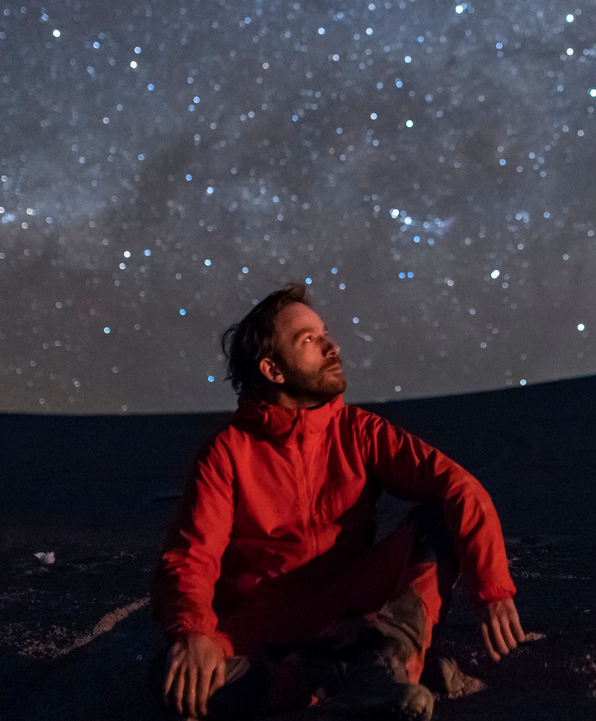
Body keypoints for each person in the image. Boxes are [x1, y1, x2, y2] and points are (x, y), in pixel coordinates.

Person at [151, 283, 524, 720]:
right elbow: (191, 556)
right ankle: (345, 680)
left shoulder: (360, 431)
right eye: (309, 340)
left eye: (324, 333)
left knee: (436, 519)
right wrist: (193, 633)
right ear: (273, 370)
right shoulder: (228, 451)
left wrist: (492, 590)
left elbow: (459, 486)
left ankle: (384, 663)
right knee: (173, 680)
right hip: (269, 627)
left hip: (351, 608)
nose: (332, 346)